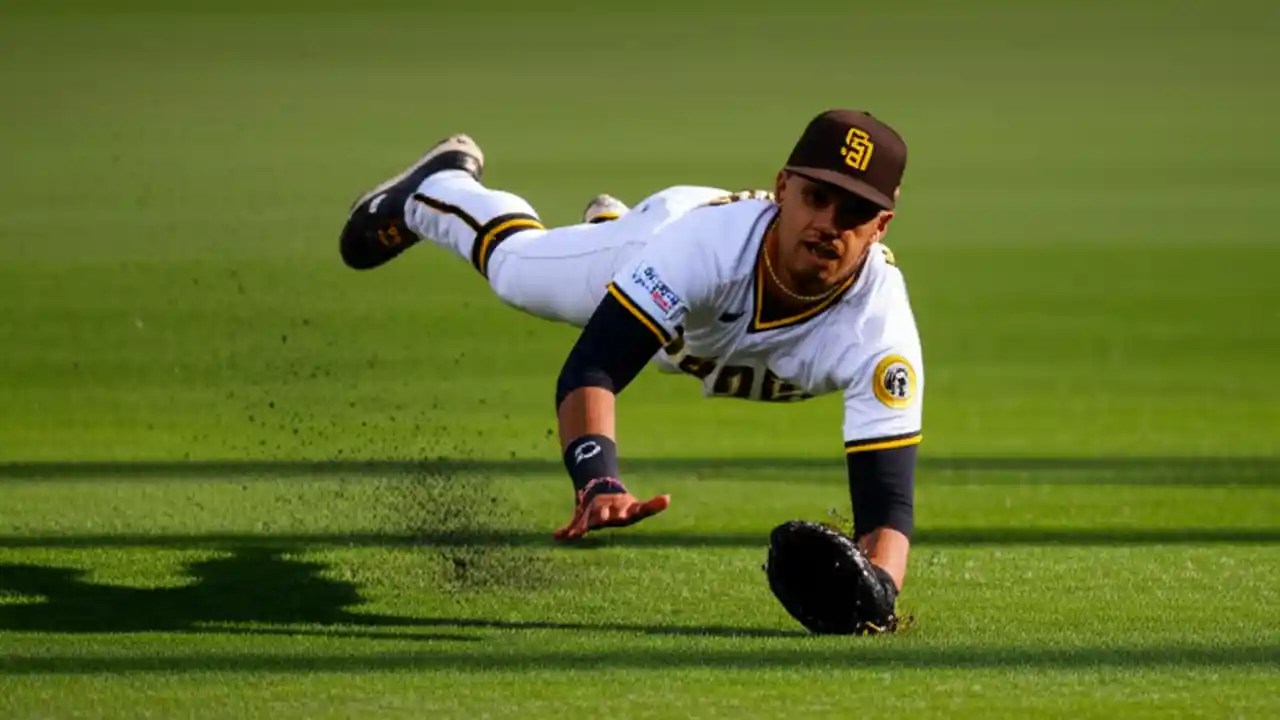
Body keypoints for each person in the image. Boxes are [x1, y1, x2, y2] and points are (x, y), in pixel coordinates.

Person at [338, 109, 923, 602]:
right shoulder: (708, 249)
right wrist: (597, 481)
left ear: (881, 227)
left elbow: (887, 503)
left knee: (663, 332)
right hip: (657, 245)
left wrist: (880, 594)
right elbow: (593, 367)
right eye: (816, 198)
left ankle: (607, 226)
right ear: (782, 188)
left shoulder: (880, 328)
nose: (827, 224)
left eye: (852, 213)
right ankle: (439, 188)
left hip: (688, 322)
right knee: (516, 270)